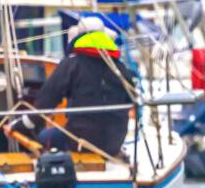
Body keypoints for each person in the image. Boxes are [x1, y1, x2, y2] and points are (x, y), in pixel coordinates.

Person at [28, 20, 136, 158]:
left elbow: (47, 99)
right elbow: (132, 100)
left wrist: (26, 123)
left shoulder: (72, 64)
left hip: (80, 142)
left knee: (43, 137)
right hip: (114, 143)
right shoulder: (119, 67)